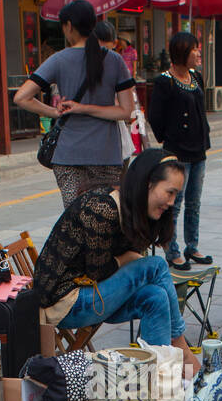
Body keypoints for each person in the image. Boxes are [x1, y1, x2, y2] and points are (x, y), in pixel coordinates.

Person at [32, 150, 199, 371]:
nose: (172, 202)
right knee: (156, 266)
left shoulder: (135, 211)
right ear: (148, 184)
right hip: (65, 302)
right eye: (170, 192)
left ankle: (158, 380)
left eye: (176, 195)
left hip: (97, 297)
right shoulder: (102, 207)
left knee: (156, 297)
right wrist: (128, 258)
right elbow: (97, 273)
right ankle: (183, 350)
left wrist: (130, 262)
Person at [15, 0, 136, 207]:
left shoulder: (59, 59)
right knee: (106, 217)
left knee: (74, 219)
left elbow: (21, 97)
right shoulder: (115, 60)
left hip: (68, 155)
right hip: (106, 153)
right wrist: (88, 109)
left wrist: (55, 112)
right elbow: (127, 111)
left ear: (69, 26)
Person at [147, 31, 213, 271]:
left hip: (198, 150)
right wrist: (169, 138)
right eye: (193, 49)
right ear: (181, 53)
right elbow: (154, 116)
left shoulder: (196, 77)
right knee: (174, 203)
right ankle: (171, 249)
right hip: (177, 152)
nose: (198, 54)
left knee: (194, 203)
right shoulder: (165, 80)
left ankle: (192, 246)